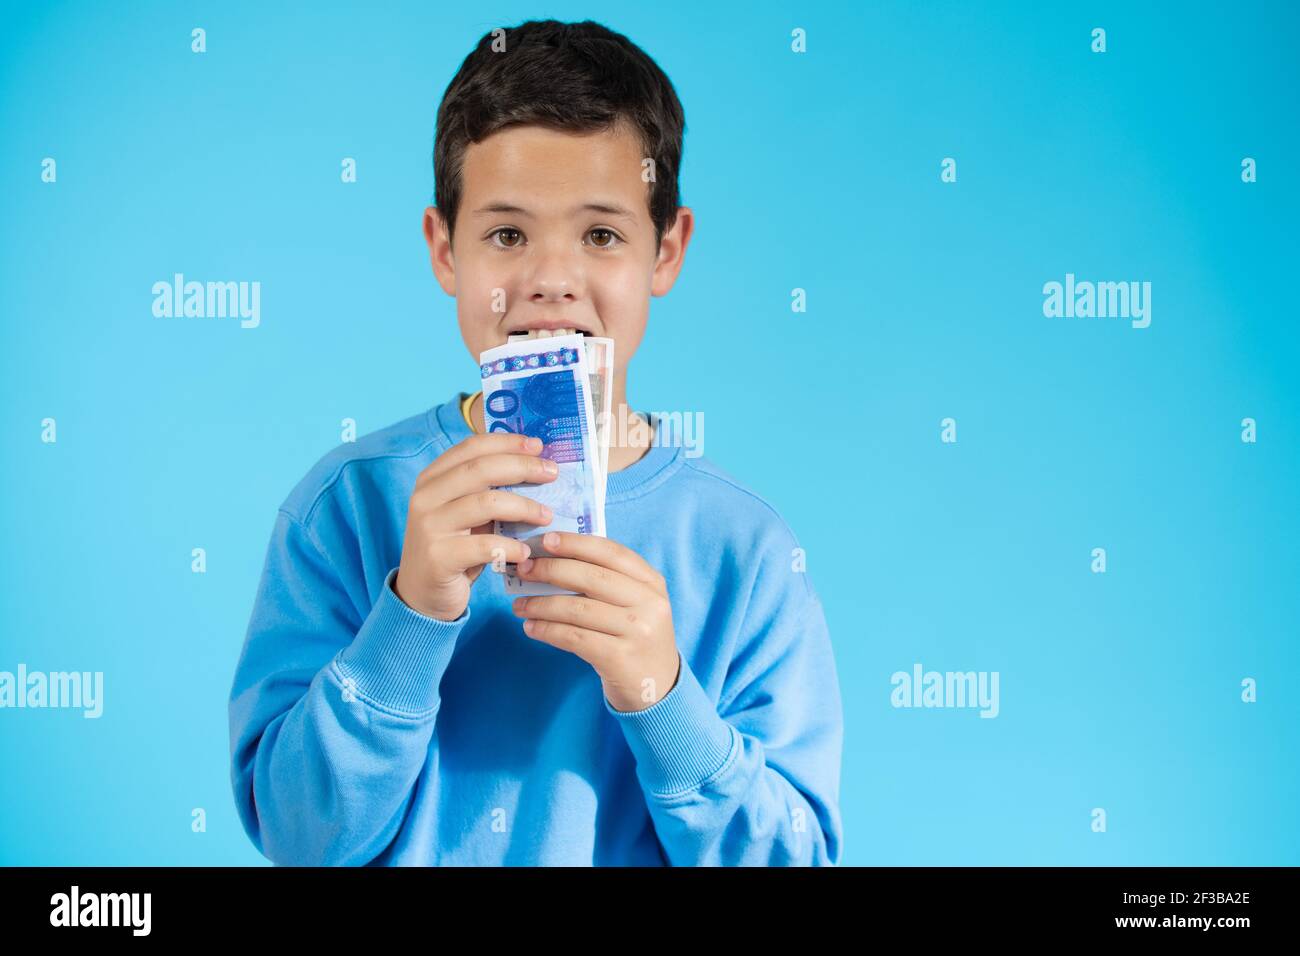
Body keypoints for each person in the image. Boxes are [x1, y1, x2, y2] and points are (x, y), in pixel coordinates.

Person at [228, 18, 843, 866]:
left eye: (602, 235)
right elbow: (300, 836)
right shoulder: (345, 508)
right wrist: (408, 614)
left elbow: (792, 857)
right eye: (507, 234)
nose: (551, 278)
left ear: (666, 252)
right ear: (445, 250)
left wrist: (663, 699)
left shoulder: (748, 554)